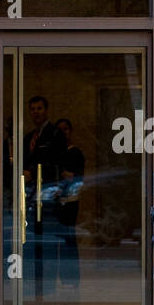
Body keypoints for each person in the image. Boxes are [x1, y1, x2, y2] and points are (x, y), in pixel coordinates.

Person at [22, 95, 65, 298]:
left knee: (48, 242)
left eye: (39, 108)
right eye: (33, 109)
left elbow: (57, 163)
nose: (36, 112)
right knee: (32, 242)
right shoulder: (28, 137)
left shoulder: (55, 134)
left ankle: (47, 286)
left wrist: (34, 171)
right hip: (31, 198)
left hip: (48, 197)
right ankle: (35, 285)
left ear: (46, 110)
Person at [54, 118, 85, 290]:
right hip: (57, 201)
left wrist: (66, 176)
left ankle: (71, 278)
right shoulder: (56, 153)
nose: (63, 132)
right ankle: (63, 277)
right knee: (58, 240)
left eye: (66, 129)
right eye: (60, 129)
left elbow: (78, 178)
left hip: (71, 201)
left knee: (68, 240)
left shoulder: (76, 153)